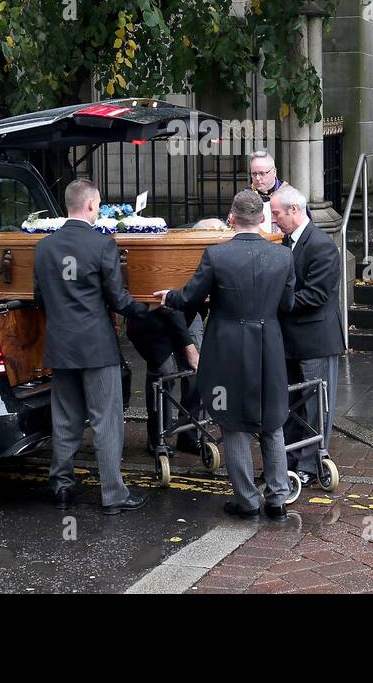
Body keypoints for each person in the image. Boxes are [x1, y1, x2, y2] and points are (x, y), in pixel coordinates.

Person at [155, 190, 296, 520]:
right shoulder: (282, 256)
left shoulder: (217, 256)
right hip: (269, 344)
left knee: (233, 423)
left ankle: (246, 500)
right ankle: (277, 499)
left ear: (231, 218)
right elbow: (288, 305)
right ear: (263, 218)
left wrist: (168, 297)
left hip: (229, 345)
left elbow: (190, 297)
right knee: (273, 420)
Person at [34, 179, 150, 514]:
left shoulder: (44, 248)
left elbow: (40, 299)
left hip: (61, 346)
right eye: (97, 204)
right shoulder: (102, 246)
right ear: (89, 205)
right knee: (106, 421)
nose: (98, 209)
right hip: (97, 347)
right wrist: (149, 311)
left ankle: (62, 487)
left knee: (66, 419)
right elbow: (118, 299)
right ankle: (113, 494)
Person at [269, 184, 345, 485]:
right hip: (290, 340)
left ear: (294, 210)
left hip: (315, 340)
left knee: (315, 405)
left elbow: (315, 295)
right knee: (291, 403)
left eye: (276, 214)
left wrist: (276, 303)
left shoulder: (321, 245)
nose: (274, 220)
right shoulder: (286, 243)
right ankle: (288, 458)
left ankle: (311, 464)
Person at [125, 307, 203, 456]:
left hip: (187, 311)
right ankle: (157, 438)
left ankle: (188, 436)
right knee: (162, 373)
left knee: (196, 372)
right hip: (151, 315)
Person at [248, 150, 283, 232]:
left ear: (274, 172)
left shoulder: (289, 195)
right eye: (254, 174)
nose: (257, 178)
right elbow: (233, 226)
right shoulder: (245, 196)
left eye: (262, 173)